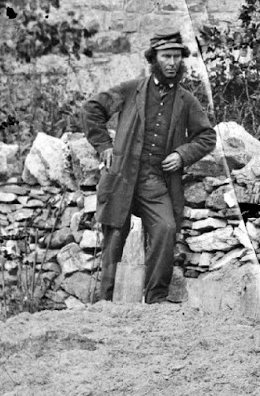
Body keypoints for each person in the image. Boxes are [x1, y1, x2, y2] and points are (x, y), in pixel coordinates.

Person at [83, 32, 218, 304]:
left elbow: (206, 136)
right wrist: (104, 146)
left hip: (156, 181)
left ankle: (155, 299)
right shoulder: (131, 90)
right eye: (166, 56)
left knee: (166, 229)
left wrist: (182, 155)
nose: (172, 62)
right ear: (153, 59)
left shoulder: (186, 100)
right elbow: (92, 108)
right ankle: (106, 304)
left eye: (177, 57)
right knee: (114, 239)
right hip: (122, 177)